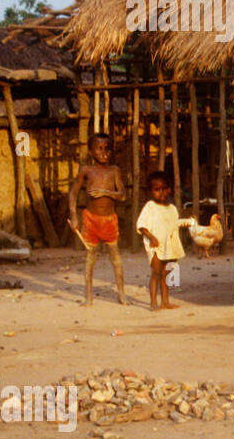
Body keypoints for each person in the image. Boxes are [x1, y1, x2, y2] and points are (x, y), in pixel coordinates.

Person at [67, 132, 126, 305]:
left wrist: (106, 192)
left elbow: (122, 195)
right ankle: (88, 297)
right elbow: (73, 193)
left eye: (107, 149)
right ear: (91, 151)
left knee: (115, 257)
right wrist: (73, 216)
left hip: (109, 220)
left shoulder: (114, 170)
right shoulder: (86, 170)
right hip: (91, 219)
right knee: (90, 257)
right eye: (99, 149)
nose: (104, 152)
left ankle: (122, 294)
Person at [137, 171, 192, 310]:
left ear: (169, 189)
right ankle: (153, 302)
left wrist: (187, 222)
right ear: (151, 191)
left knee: (166, 274)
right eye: (156, 190)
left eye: (164, 189)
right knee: (156, 273)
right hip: (155, 246)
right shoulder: (150, 207)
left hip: (169, 246)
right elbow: (141, 225)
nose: (161, 193)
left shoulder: (172, 209)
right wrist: (151, 237)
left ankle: (165, 301)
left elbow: (174, 224)